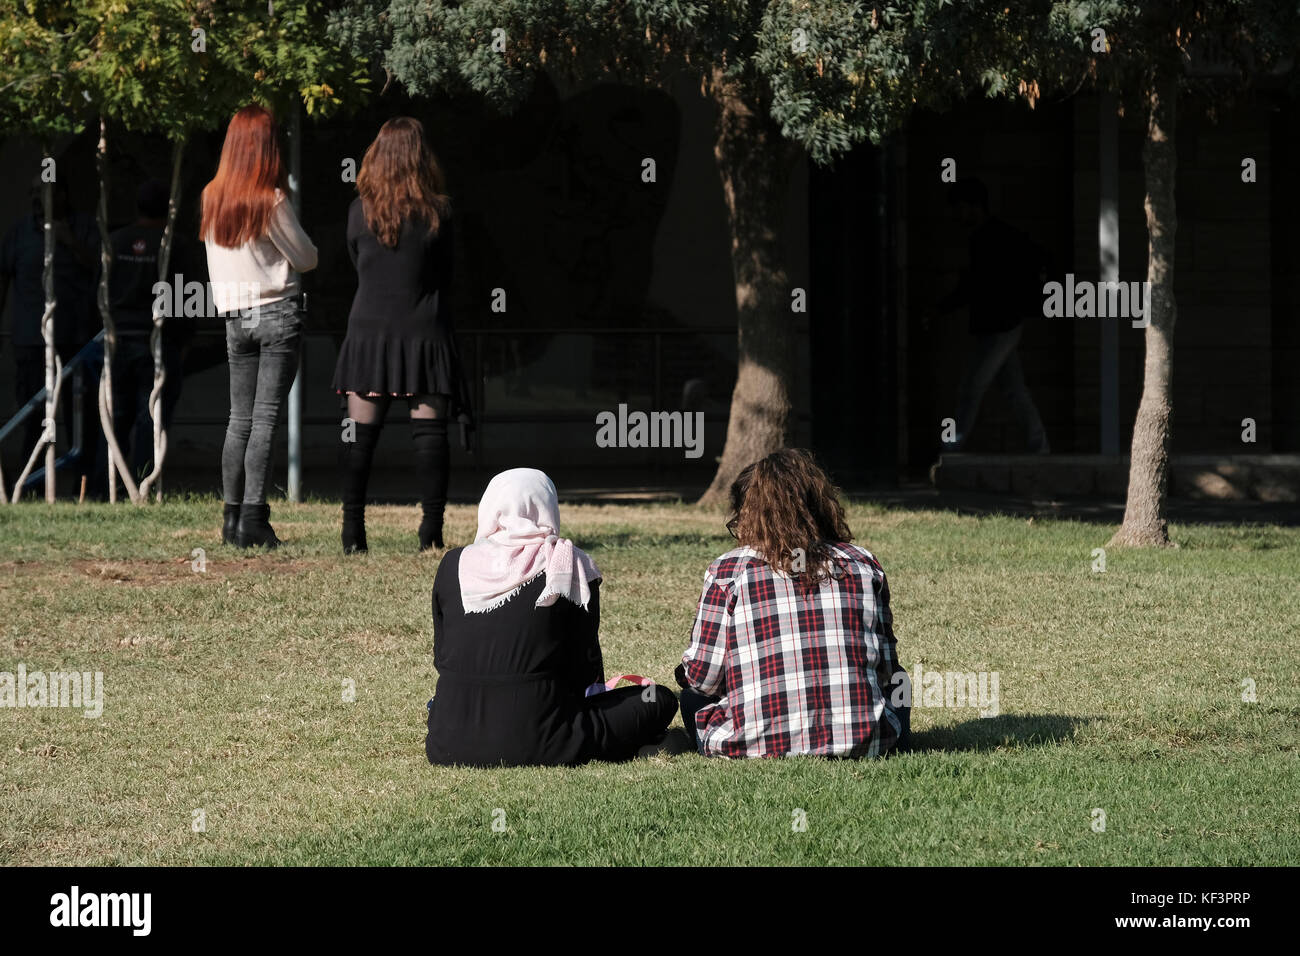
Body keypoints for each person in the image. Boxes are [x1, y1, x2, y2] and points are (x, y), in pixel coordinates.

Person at [425, 468, 678, 767]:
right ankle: (643, 744)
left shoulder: (453, 564)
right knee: (659, 698)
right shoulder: (569, 565)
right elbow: (584, 671)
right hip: (547, 738)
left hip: (448, 741)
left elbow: (443, 657)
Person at [676, 449, 909, 759]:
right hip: (865, 742)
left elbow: (702, 680)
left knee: (690, 699)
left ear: (750, 513)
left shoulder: (729, 570)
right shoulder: (862, 563)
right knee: (900, 683)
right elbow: (888, 669)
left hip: (755, 746)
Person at [332, 117, 473, 554]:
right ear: (420, 158)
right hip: (424, 328)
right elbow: (447, 274)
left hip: (368, 329)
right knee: (430, 436)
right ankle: (431, 531)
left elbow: (358, 263)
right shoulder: (440, 211)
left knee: (359, 437)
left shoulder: (359, 211)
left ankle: (353, 532)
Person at [201, 104, 317, 548]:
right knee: (266, 418)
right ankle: (255, 518)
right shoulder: (269, 198)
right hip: (277, 314)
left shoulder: (213, 195)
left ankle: (231, 520)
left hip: (235, 316)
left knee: (239, 419)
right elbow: (306, 257)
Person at [926, 178, 1050, 454]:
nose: (957, 216)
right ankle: (1039, 447)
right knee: (1015, 391)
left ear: (974, 207)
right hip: (997, 326)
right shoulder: (986, 238)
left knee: (971, 388)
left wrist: (940, 309)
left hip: (999, 328)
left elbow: (971, 287)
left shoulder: (994, 238)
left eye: (960, 208)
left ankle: (951, 449)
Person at [0, 176, 99, 483]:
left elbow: (101, 268)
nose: (38, 199)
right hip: (32, 341)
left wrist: (69, 241)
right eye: (34, 192)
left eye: (45, 192)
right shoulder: (19, 233)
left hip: (76, 342)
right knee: (34, 417)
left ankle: (84, 486)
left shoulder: (83, 227)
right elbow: (3, 281)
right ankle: (31, 483)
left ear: (63, 195)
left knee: (80, 418)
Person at [107, 178, 196, 482]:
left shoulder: (115, 242)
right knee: (152, 418)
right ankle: (143, 481)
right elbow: (186, 296)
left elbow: (99, 293)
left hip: (117, 341)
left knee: (116, 416)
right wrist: (183, 341)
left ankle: (109, 483)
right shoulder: (172, 245)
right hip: (157, 341)